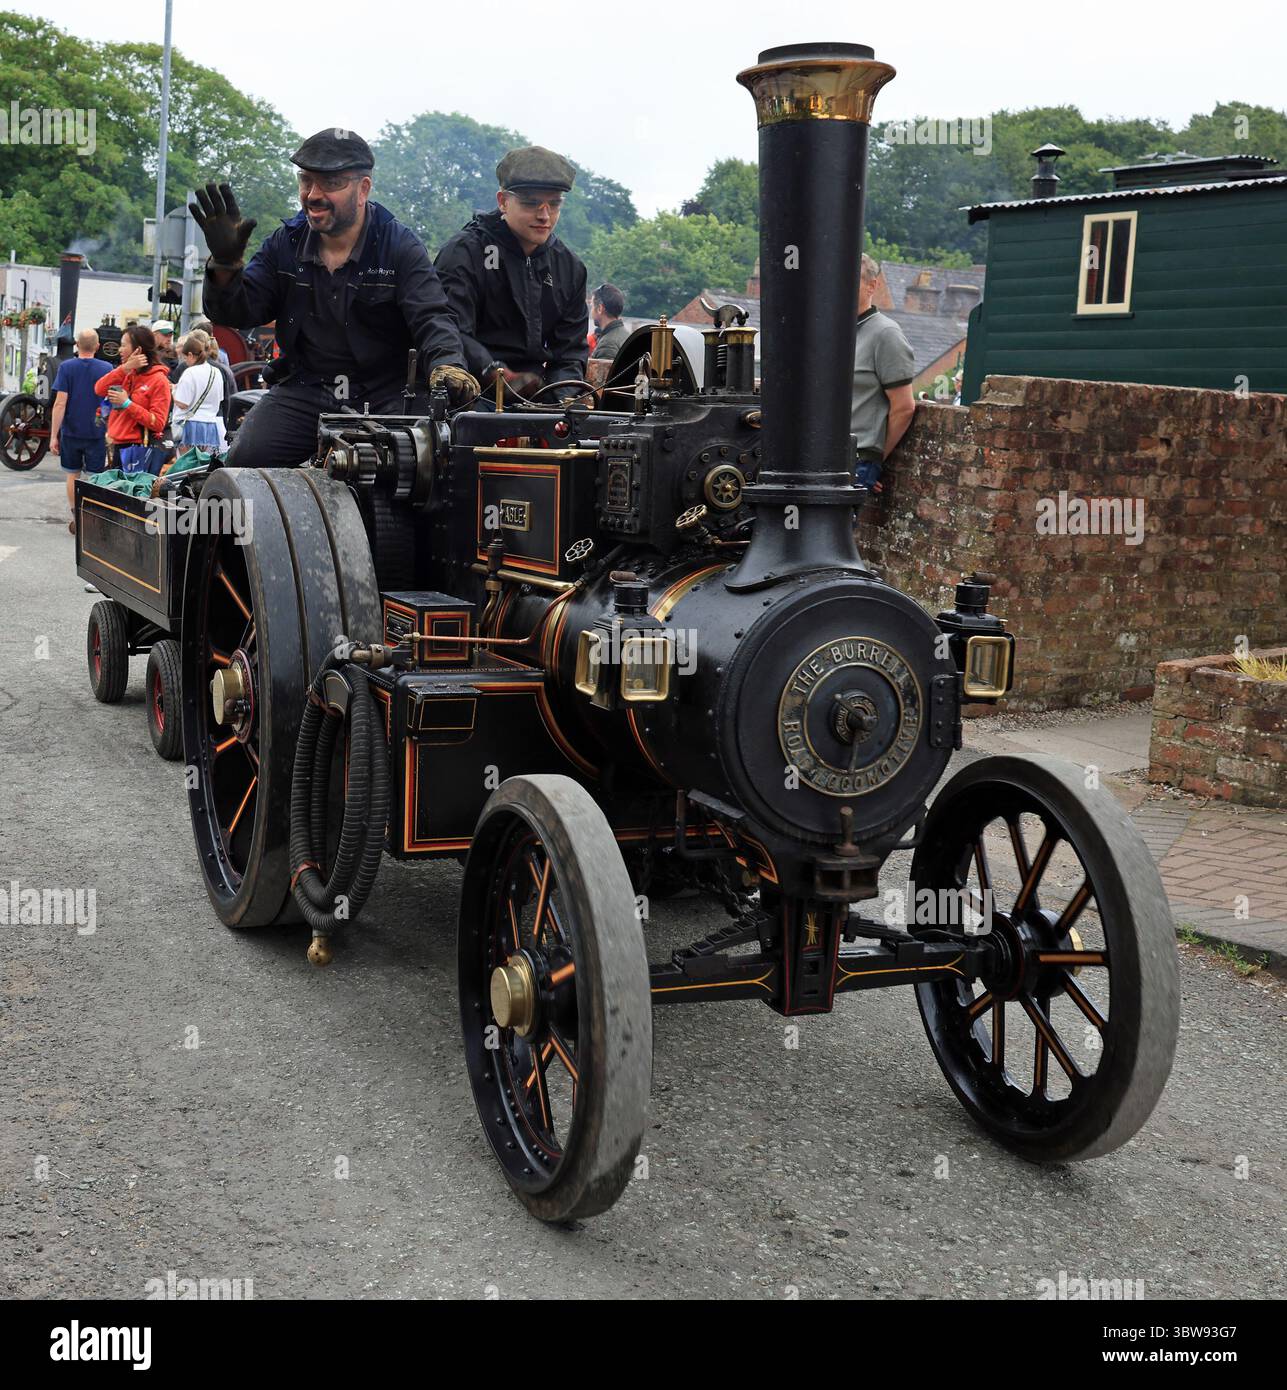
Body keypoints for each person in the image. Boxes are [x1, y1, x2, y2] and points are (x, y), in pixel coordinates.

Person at [192, 128, 477, 468]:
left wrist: (447, 364)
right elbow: (238, 311)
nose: (313, 194)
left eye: (330, 183)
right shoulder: (285, 243)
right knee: (244, 463)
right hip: (306, 388)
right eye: (306, 181)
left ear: (364, 189)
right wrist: (225, 267)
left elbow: (432, 315)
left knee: (425, 471)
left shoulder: (399, 246)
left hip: (386, 392)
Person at [434, 146, 589, 405]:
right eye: (530, 204)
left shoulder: (570, 268)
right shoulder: (464, 253)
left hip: (538, 395)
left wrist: (563, 401)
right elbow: (450, 330)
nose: (544, 215)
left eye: (554, 204)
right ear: (503, 201)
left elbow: (570, 352)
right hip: (470, 392)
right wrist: (492, 372)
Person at [851, 254, 915, 494]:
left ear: (872, 285)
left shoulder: (886, 334)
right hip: (820, 455)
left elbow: (904, 408)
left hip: (856, 459)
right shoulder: (832, 331)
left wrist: (874, 461)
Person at [50, 328, 112, 533]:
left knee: (72, 475)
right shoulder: (107, 367)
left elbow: (60, 403)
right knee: (95, 477)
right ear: (97, 346)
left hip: (71, 431)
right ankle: (91, 518)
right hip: (97, 431)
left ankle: (75, 515)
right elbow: (110, 402)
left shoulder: (66, 368)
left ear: (77, 345)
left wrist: (53, 436)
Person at [92, 324, 173, 473]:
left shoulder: (158, 380)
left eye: (123, 345)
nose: (119, 350)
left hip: (139, 450)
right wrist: (124, 369)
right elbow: (99, 388)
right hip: (116, 445)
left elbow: (158, 423)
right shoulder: (127, 373)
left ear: (138, 350)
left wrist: (127, 403)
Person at [171, 332, 226, 452]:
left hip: (190, 426)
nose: (185, 362)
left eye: (185, 358)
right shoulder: (216, 372)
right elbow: (220, 398)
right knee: (203, 466)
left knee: (187, 466)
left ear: (190, 355)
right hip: (210, 425)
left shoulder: (190, 372)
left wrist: (173, 391)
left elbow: (182, 403)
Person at [589, 283, 628, 361]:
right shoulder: (625, 335)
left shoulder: (608, 344)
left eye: (592, 306)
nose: (591, 312)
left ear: (600, 308)